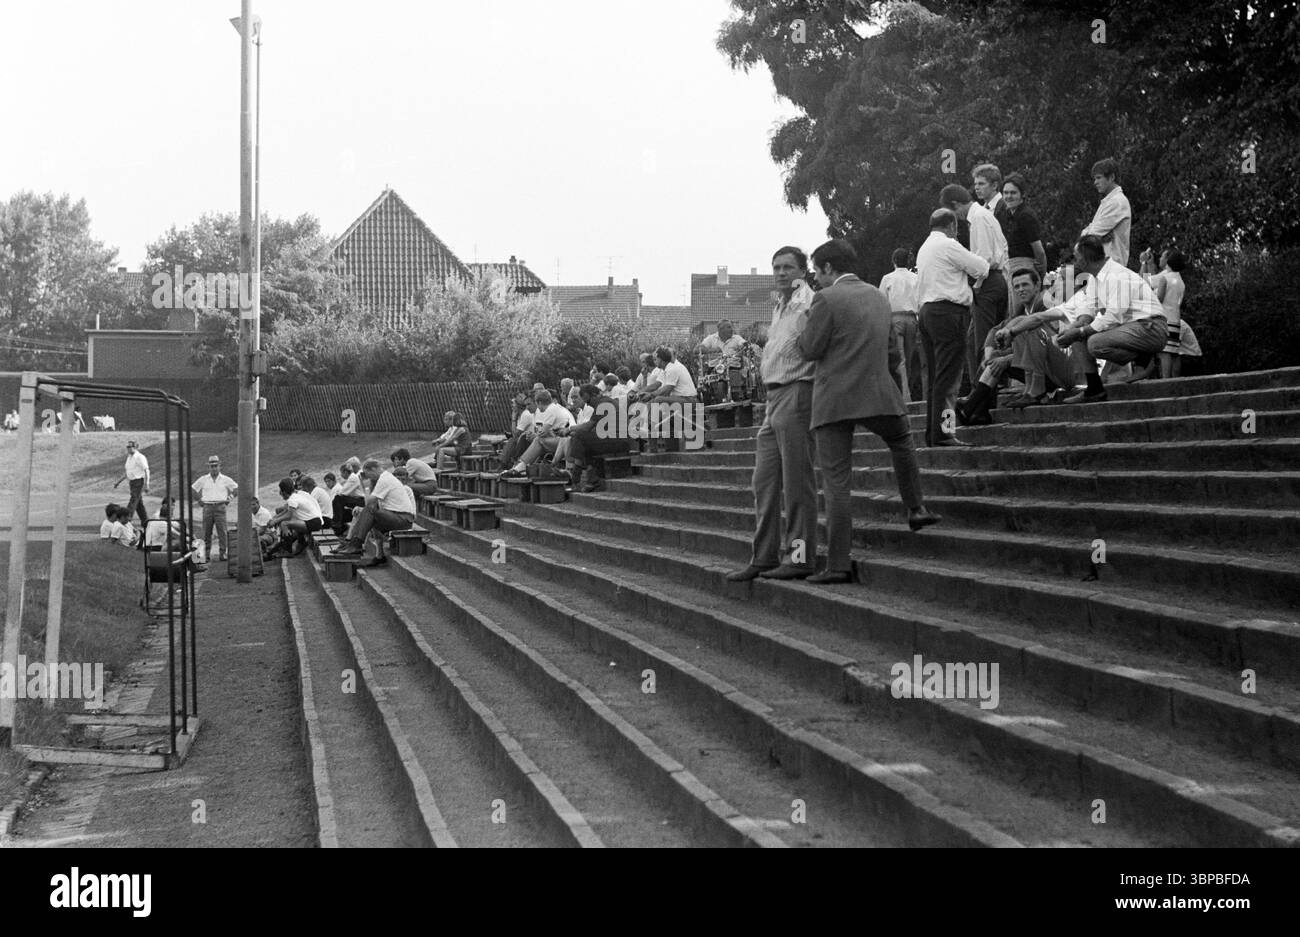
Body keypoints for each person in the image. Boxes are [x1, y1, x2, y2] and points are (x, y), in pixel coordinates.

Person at [796, 238, 941, 585]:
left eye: (817, 271)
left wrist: (804, 326)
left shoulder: (825, 299)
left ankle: (838, 564)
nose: (816, 278)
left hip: (834, 399)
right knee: (903, 442)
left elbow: (811, 349)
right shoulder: (879, 296)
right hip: (878, 393)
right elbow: (893, 352)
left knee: (837, 483)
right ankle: (916, 506)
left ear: (829, 268)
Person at [726, 246, 819, 583]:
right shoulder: (780, 306)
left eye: (788, 267)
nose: (781, 273)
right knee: (763, 482)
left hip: (798, 391)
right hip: (773, 398)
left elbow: (816, 349)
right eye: (776, 267)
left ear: (803, 271)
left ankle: (800, 557)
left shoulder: (809, 304)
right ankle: (763, 556)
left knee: (797, 484)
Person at [1029, 235, 1168, 403]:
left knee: (1094, 343)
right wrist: (1074, 328)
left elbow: (1112, 317)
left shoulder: (1116, 275)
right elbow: (1088, 311)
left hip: (1151, 327)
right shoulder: (1096, 277)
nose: (1075, 261)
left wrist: (1079, 331)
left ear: (1085, 259)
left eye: (1076, 257)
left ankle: (1143, 358)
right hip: (1133, 327)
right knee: (1079, 334)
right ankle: (1094, 389)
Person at [916, 208, 990, 447]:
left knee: (937, 378)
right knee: (950, 380)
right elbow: (980, 267)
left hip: (927, 312)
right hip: (948, 313)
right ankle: (946, 432)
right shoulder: (948, 244)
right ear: (952, 226)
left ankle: (933, 434)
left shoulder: (925, 247)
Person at [940, 183, 1009, 395]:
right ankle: (980, 387)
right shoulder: (982, 215)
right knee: (974, 341)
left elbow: (984, 260)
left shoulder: (978, 218)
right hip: (995, 281)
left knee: (983, 341)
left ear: (955, 205)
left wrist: (973, 280)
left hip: (987, 283)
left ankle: (984, 390)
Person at [984, 268, 1082, 411]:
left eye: (1025, 285)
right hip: (1052, 366)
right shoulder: (1023, 309)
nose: (1021, 290)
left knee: (1030, 327)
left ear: (1037, 286)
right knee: (1001, 351)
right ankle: (1028, 391)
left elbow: (1042, 328)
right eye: (1017, 286)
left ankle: (1036, 392)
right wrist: (990, 356)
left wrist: (1010, 336)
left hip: (1068, 369)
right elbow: (996, 330)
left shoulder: (1046, 302)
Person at [330, 460, 416, 564]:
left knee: (369, 510)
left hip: (403, 519)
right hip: (398, 516)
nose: (368, 477)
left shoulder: (385, 479)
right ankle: (378, 555)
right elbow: (374, 503)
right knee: (369, 515)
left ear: (374, 469)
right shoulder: (384, 478)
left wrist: (365, 485)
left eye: (368, 474)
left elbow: (369, 502)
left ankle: (355, 545)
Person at [560, 383, 630, 492]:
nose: (589, 405)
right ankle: (592, 480)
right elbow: (593, 429)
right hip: (616, 438)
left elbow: (588, 426)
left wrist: (569, 429)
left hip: (618, 440)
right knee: (584, 441)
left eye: (588, 401)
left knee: (580, 437)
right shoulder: (604, 402)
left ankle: (576, 479)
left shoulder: (602, 404)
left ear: (592, 395)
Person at [878, 248, 924, 402]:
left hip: (895, 318)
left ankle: (904, 398)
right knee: (909, 360)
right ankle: (907, 393)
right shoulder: (915, 278)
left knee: (901, 360)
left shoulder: (887, 278)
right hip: (912, 318)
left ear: (894, 261)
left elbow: (881, 303)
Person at [1140, 247, 1187, 379]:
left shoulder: (1165, 278)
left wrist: (1144, 263)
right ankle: (1174, 379)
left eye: (1162, 256)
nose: (1160, 258)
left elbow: (1157, 297)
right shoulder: (1180, 280)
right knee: (1173, 352)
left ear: (1169, 260)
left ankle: (1166, 380)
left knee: (1164, 351)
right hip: (1175, 318)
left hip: (1165, 319)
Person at [502, 390, 574, 475]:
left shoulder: (551, 409)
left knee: (538, 441)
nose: (527, 408)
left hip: (568, 441)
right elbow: (547, 432)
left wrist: (534, 435)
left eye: (529, 404)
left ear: (538, 403)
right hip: (563, 439)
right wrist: (532, 434)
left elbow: (543, 433)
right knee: (533, 439)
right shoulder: (548, 409)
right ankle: (522, 466)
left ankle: (521, 466)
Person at [1081, 158, 1132, 267]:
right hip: (1103, 267)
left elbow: (1092, 234)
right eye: (1095, 179)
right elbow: (1088, 235)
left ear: (1112, 177)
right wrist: (1097, 238)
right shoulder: (1108, 202)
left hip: (1112, 267)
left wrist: (1092, 238)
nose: (1095, 182)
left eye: (1099, 178)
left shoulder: (1117, 202)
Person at [1000, 173, 1047, 287]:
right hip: (1012, 268)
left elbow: (1039, 251)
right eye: (1005, 193)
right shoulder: (1007, 214)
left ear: (1022, 194)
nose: (1009, 196)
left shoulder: (1026, 215)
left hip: (1025, 271)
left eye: (1013, 192)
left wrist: (1042, 273)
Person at [190, 455, 238, 562]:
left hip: (220, 506)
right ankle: (205, 555)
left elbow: (236, 488)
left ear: (219, 466)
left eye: (216, 466)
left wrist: (230, 497)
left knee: (222, 531)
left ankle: (223, 553)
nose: (214, 468)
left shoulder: (225, 479)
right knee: (207, 532)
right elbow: (193, 489)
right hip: (207, 507)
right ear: (209, 467)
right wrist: (199, 500)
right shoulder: (203, 479)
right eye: (212, 466)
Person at [266, 477, 325, 558]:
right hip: (317, 520)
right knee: (287, 521)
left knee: (284, 524)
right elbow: (286, 511)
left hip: (314, 522)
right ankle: (297, 542)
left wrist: (275, 521)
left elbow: (288, 515)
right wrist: (274, 518)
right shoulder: (299, 493)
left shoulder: (292, 499)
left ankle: (287, 550)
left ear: (284, 492)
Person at [698, 319, 750, 404]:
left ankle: (736, 394)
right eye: (729, 327)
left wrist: (743, 346)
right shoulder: (711, 338)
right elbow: (699, 348)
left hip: (732, 366)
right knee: (704, 382)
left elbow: (744, 344)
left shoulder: (736, 338)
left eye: (731, 327)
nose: (732, 329)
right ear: (721, 330)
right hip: (715, 367)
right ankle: (708, 397)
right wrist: (712, 350)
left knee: (735, 375)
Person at [113, 440, 151, 526]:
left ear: (135, 447)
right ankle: (145, 521)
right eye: (127, 447)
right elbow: (128, 472)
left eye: (130, 447)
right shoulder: (129, 458)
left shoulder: (140, 457)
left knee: (133, 500)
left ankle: (126, 518)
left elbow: (146, 470)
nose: (128, 448)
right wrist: (118, 482)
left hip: (139, 481)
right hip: (132, 482)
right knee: (138, 503)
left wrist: (147, 484)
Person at [499, 395, 537, 471]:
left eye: (513, 404)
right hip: (525, 440)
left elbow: (515, 434)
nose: (512, 406)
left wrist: (513, 418)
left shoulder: (525, 415)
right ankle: (505, 463)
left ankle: (505, 463)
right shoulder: (521, 415)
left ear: (518, 405)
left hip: (529, 440)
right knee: (511, 440)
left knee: (512, 440)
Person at [332, 460, 365, 535]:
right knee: (339, 504)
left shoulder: (353, 478)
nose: (341, 475)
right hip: (357, 499)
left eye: (341, 473)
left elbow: (343, 492)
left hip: (361, 501)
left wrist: (338, 494)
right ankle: (339, 524)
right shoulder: (352, 478)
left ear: (345, 472)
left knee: (338, 499)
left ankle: (337, 525)